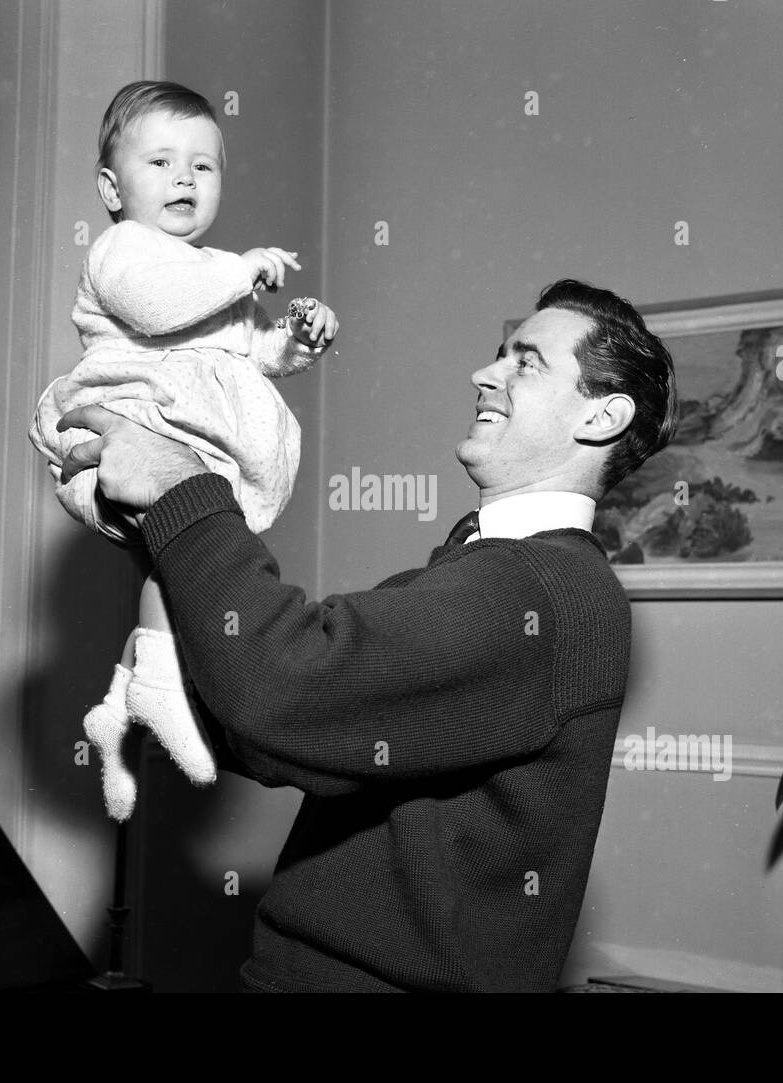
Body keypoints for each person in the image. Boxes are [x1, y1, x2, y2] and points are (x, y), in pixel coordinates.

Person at [58, 279, 678, 993]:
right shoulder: (483, 571)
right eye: (500, 353)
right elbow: (289, 732)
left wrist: (185, 492)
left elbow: (286, 688)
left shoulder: (544, 591)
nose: (484, 374)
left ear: (603, 415)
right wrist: (163, 561)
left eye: (526, 361)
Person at [29, 81, 339, 821]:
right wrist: (241, 269)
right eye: (161, 162)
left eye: (203, 166)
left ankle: (119, 708)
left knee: (176, 567)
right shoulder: (123, 249)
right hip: (138, 422)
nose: (184, 178)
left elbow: (256, 353)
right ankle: (162, 690)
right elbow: (155, 307)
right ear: (112, 189)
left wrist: (298, 337)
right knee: (178, 558)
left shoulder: (215, 271)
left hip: (191, 439)